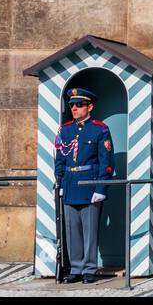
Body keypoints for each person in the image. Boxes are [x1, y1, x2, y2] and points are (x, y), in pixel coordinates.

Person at [53, 88, 115, 283]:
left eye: (79, 105)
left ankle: (89, 269)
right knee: (72, 230)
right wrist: (60, 181)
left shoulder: (100, 129)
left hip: (90, 185)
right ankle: (76, 268)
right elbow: (60, 159)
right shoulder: (66, 130)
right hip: (71, 184)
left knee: (90, 231)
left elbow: (107, 161)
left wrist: (100, 188)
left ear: (90, 107)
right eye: (72, 105)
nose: (74, 108)